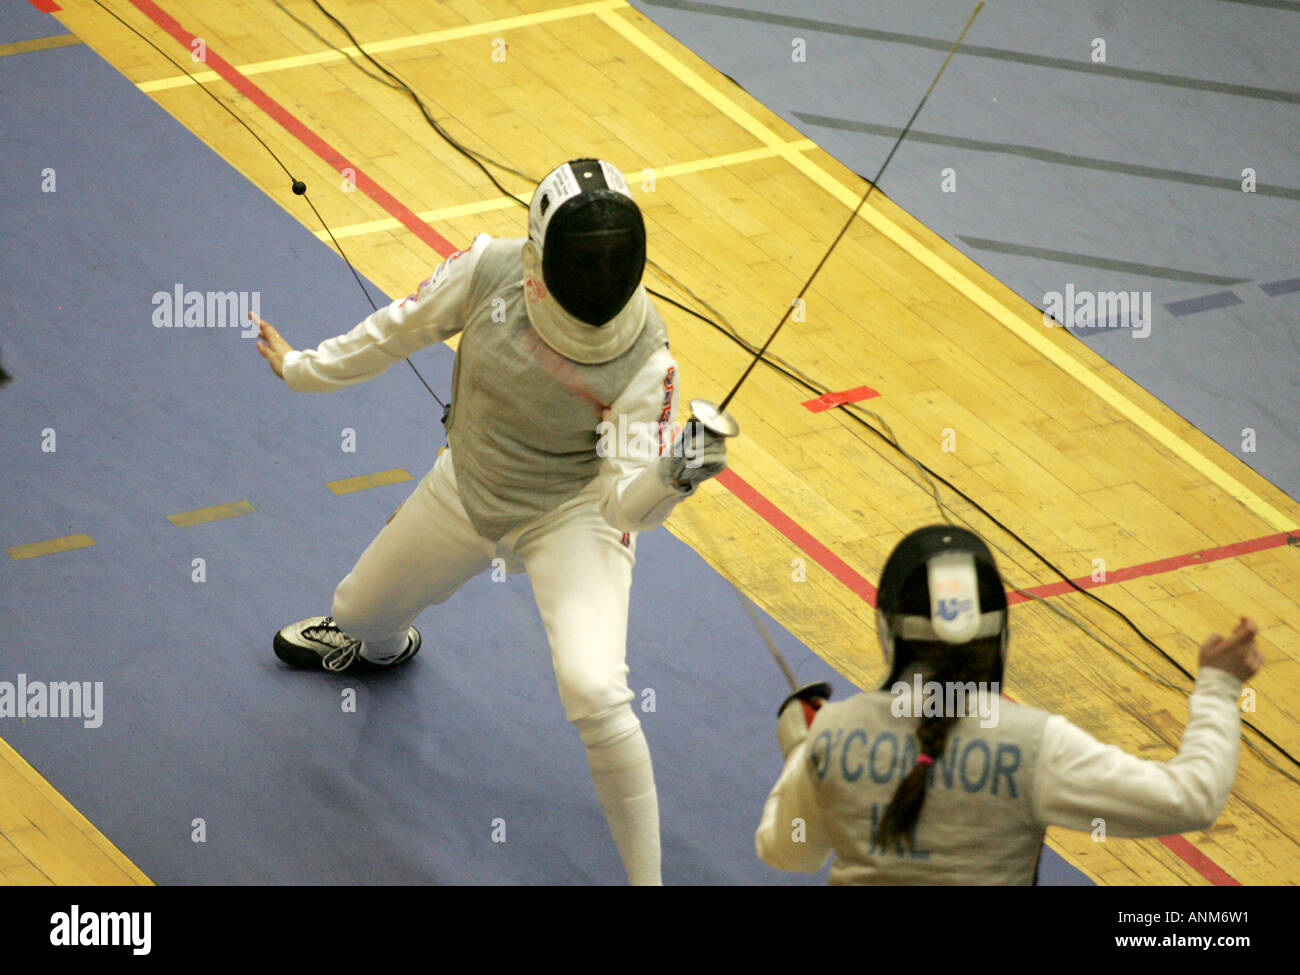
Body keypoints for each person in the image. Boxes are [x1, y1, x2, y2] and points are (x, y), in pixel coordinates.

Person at [253, 158, 727, 885]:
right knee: (356, 610)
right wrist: (304, 367)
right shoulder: (488, 270)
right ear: (541, 253)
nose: (596, 273)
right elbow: (397, 327)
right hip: (467, 486)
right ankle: (382, 646)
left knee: (597, 691)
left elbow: (626, 506)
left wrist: (672, 474)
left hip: (573, 514)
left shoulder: (647, 360)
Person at [755, 524, 1263, 884]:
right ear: (996, 634)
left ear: (892, 629)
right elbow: (1193, 797)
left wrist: (806, 752)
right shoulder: (1034, 742)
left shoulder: (836, 730)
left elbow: (789, 854)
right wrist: (1218, 687)